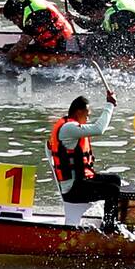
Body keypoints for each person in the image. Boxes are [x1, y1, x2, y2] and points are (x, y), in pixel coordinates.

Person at [48, 91, 122, 230]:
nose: (88, 118)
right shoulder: (69, 128)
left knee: (115, 180)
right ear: (78, 112)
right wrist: (109, 105)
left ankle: (111, 221)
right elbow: (99, 129)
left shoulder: (69, 126)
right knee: (112, 191)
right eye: (87, 115)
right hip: (73, 189)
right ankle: (110, 230)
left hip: (80, 181)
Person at [63, 0, 135, 56]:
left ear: (96, 10)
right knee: (94, 36)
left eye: (91, 14)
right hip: (128, 28)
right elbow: (90, 16)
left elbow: (115, 43)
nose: (90, 17)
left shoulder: (117, 17)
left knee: (95, 41)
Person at [0, 0, 73, 54]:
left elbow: (21, 45)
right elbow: (1, 10)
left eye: (14, 20)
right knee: (7, 48)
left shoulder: (32, 20)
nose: (14, 23)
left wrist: (3, 63)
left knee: (7, 48)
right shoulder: (27, 4)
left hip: (57, 45)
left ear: (18, 15)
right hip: (63, 32)